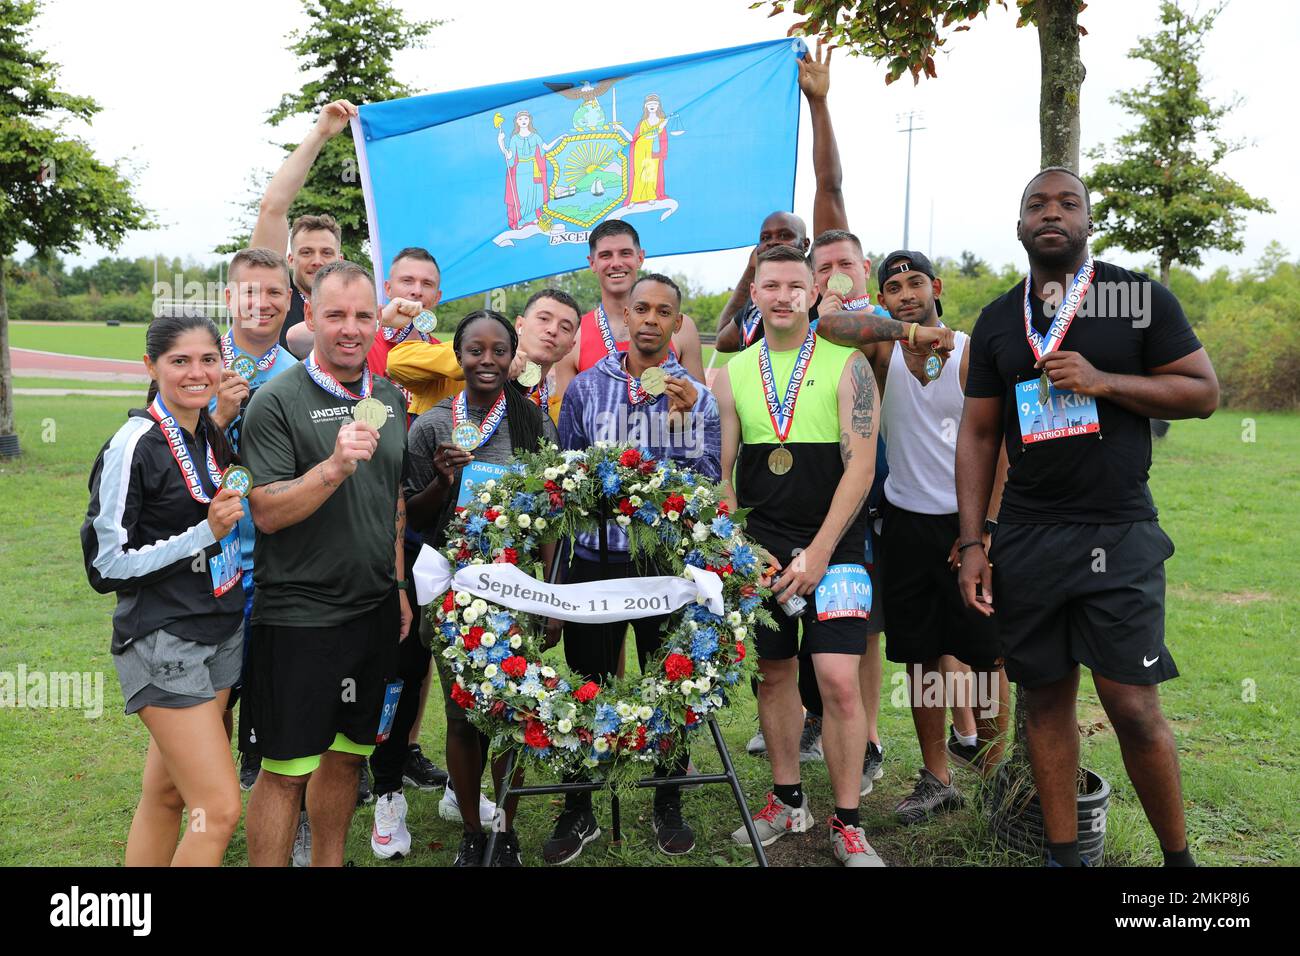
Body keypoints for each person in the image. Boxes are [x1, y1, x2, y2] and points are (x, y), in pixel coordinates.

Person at [956, 167, 1219, 867]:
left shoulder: (1137, 299)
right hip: (1029, 538)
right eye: (1037, 204)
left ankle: (1178, 863)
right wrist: (974, 541)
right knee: (1044, 702)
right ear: (1019, 228)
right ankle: (1064, 858)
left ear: (1087, 221)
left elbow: (1202, 392)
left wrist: (1105, 382)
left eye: (1068, 203)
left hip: (1119, 531)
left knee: (1133, 707)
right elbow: (979, 435)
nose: (1053, 212)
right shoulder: (995, 321)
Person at [713, 244, 884, 867]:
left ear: (815, 292)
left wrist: (818, 551)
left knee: (838, 681)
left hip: (838, 549)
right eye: (771, 286)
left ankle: (847, 822)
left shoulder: (849, 366)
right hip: (760, 549)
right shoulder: (728, 372)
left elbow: (860, 465)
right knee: (775, 673)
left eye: (794, 286)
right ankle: (787, 800)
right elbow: (722, 474)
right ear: (753, 293)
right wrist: (744, 548)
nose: (783, 296)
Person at [239, 260, 412, 867]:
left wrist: (396, 586)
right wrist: (332, 468)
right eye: (335, 314)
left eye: (364, 315)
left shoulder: (387, 396)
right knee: (286, 771)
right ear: (308, 316)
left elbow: (392, 498)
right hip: (298, 617)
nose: (350, 328)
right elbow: (264, 511)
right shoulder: (275, 401)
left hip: (370, 611)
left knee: (345, 758)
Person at [546, 274, 721, 863]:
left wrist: (689, 421)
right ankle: (579, 806)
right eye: (639, 308)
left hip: (662, 568)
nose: (648, 318)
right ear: (624, 319)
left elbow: (707, 485)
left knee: (667, 682)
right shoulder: (586, 389)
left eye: (662, 311)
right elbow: (563, 483)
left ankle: (665, 798)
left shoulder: (697, 394)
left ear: (677, 325)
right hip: (595, 563)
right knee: (586, 684)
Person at [82, 314, 247, 865]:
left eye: (208, 359)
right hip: (165, 641)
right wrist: (205, 533)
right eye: (180, 361)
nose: (197, 373)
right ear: (150, 366)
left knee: (168, 794)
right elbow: (106, 566)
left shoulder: (208, 432)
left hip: (220, 628)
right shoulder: (134, 445)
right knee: (218, 809)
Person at [404, 310, 557, 866]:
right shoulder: (432, 425)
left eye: (498, 351)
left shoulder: (534, 424)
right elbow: (412, 518)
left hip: (517, 591)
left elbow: (551, 511)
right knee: (465, 712)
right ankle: (473, 831)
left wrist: (553, 596)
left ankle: (508, 828)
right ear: (459, 354)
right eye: (475, 350)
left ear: (513, 354)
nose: (487, 361)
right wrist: (442, 483)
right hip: (456, 592)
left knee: (512, 710)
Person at [865, 248, 1010, 824]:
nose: (906, 291)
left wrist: (984, 532)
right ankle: (937, 777)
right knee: (921, 656)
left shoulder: (970, 353)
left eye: (915, 282)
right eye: (894, 286)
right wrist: (906, 332)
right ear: (884, 300)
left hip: (964, 524)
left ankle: (1001, 777)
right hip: (904, 520)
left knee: (985, 656)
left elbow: (999, 445)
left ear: (937, 286)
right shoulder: (883, 350)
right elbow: (829, 324)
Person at [206, 248, 300, 795]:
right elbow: (162, 463)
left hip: (279, 566)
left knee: (281, 694)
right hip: (208, 565)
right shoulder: (195, 363)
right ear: (228, 298)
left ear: (289, 301)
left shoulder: (302, 376)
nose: (261, 303)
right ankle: (211, 804)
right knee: (210, 699)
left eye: (273, 293)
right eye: (249, 291)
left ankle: (285, 806)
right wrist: (217, 416)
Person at [714, 41, 850, 354]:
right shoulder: (764, 295)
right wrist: (752, 270)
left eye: (785, 236)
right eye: (766, 238)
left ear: (807, 246)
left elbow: (829, 186)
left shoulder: (819, 282)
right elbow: (723, 339)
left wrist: (818, 102)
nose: (773, 242)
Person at [248, 98, 357, 357]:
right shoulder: (273, 296)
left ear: (340, 259)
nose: (317, 261)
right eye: (306, 252)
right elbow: (272, 208)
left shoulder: (356, 308)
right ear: (290, 259)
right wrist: (320, 133)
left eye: (326, 253)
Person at [553, 220, 705, 394]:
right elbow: (566, 416)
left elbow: (701, 406)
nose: (616, 263)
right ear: (592, 263)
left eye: (625, 253)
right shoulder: (574, 336)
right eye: (606, 255)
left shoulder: (682, 328)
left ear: (639, 258)